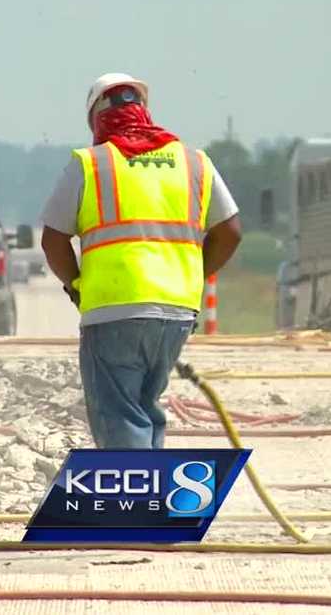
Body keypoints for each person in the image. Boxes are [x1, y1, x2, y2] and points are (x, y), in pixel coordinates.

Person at [40, 72, 242, 449]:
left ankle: (131, 505)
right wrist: (192, 278)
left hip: (113, 311)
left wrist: (76, 287)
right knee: (146, 409)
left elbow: (53, 240)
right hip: (177, 311)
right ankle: (150, 499)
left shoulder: (90, 163)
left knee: (120, 416)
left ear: (96, 117)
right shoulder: (194, 161)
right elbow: (230, 232)